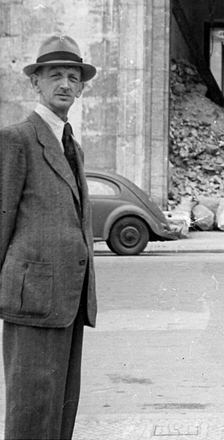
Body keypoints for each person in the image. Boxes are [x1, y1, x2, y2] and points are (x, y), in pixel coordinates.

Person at [0, 34, 98, 440]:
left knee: (60, 409)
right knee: (32, 412)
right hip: (33, 297)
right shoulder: (17, 138)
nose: (64, 84)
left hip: (69, 297)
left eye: (73, 77)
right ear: (35, 83)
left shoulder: (70, 142)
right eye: (54, 75)